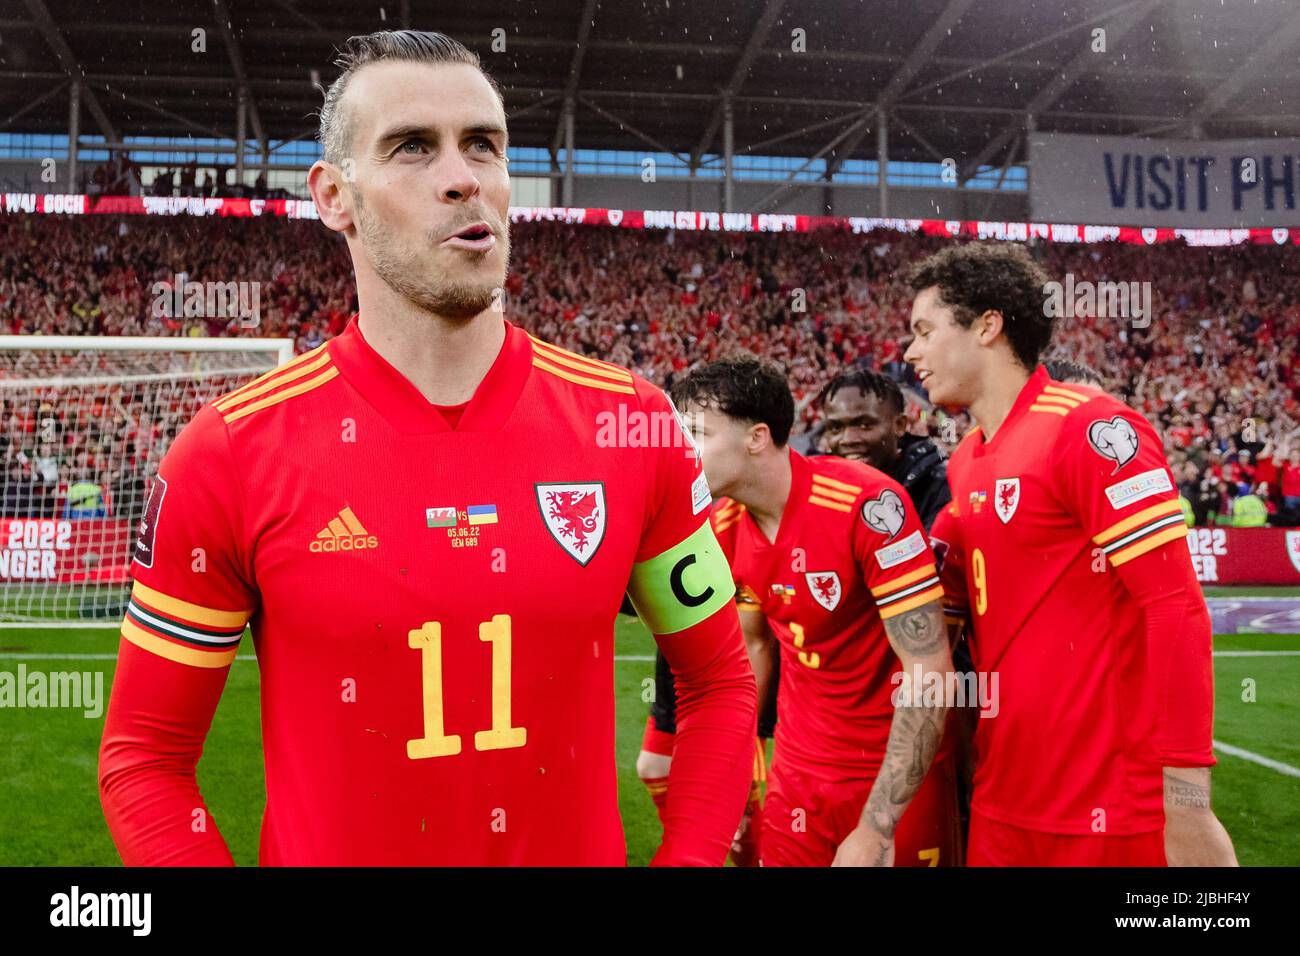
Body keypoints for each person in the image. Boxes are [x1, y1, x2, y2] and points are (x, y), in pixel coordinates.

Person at [99, 29, 757, 867]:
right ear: (335, 196)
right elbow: (144, 760)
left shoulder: (630, 424)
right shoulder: (229, 453)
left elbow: (719, 684)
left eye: (483, 145)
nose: (463, 178)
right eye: (414, 148)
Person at [904, 241, 1236, 866]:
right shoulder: (968, 459)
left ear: (987, 325)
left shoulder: (1089, 428)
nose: (910, 352)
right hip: (1005, 799)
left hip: (1109, 804)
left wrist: (1186, 794)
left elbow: (1175, 606)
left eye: (924, 331)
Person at [673, 355, 956, 867]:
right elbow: (751, 652)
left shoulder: (868, 505)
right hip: (796, 776)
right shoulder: (724, 526)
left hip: (892, 779)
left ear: (757, 437)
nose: (681, 451)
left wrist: (876, 829)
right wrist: (733, 788)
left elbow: (929, 669)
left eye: (696, 433)